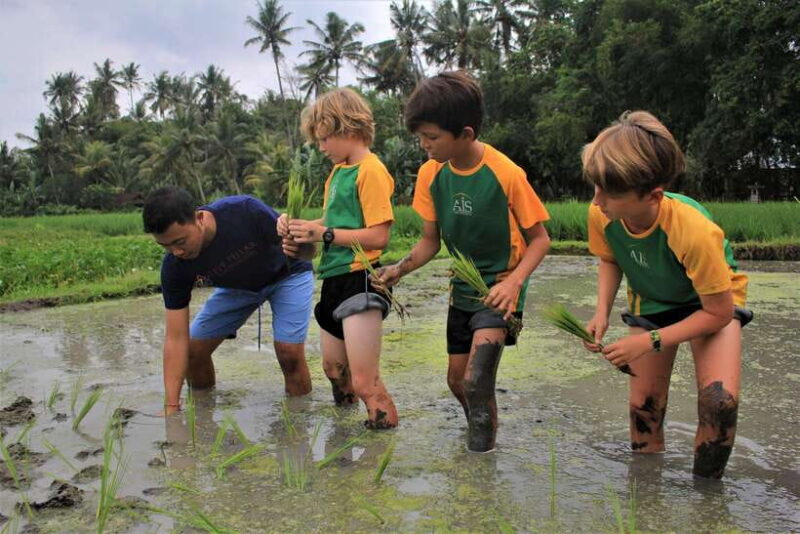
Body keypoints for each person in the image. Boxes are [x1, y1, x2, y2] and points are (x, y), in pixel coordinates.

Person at [377, 71, 551, 452]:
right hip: (462, 289)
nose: (424, 145)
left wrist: (513, 283)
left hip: (501, 291)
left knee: (476, 380)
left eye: (432, 137)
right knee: (457, 382)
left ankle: (482, 458)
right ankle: (483, 433)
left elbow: (540, 240)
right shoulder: (430, 174)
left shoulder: (506, 174)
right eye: (420, 137)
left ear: (466, 134)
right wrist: (398, 269)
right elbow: (429, 241)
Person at [581, 110, 752, 479]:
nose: (597, 201)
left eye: (609, 192)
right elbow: (610, 259)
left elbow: (718, 313)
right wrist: (601, 313)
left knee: (719, 404)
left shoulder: (693, 229)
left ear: (653, 195)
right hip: (653, 302)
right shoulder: (602, 214)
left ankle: (707, 497)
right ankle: (645, 496)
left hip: (711, 304)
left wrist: (649, 342)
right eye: (595, 188)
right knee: (644, 409)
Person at [280, 88, 398, 429]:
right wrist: (301, 228)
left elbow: (379, 235)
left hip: (360, 277)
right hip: (333, 279)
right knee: (335, 371)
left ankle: (381, 454)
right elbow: (332, 224)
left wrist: (323, 234)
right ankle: (344, 441)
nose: (322, 147)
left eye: (325, 138)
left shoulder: (371, 171)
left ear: (348, 129)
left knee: (365, 383)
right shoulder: (338, 173)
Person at [142, 187, 314, 416]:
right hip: (239, 288)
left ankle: (299, 421)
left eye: (180, 241)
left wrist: (301, 245)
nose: (176, 252)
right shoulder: (175, 267)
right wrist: (171, 406)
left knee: (289, 353)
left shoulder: (244, 210)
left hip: (288, 275)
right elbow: (176, 338)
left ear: (199, 218)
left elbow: (308, 250)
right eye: (166, 246)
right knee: (193, 351)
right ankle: (203, 413)